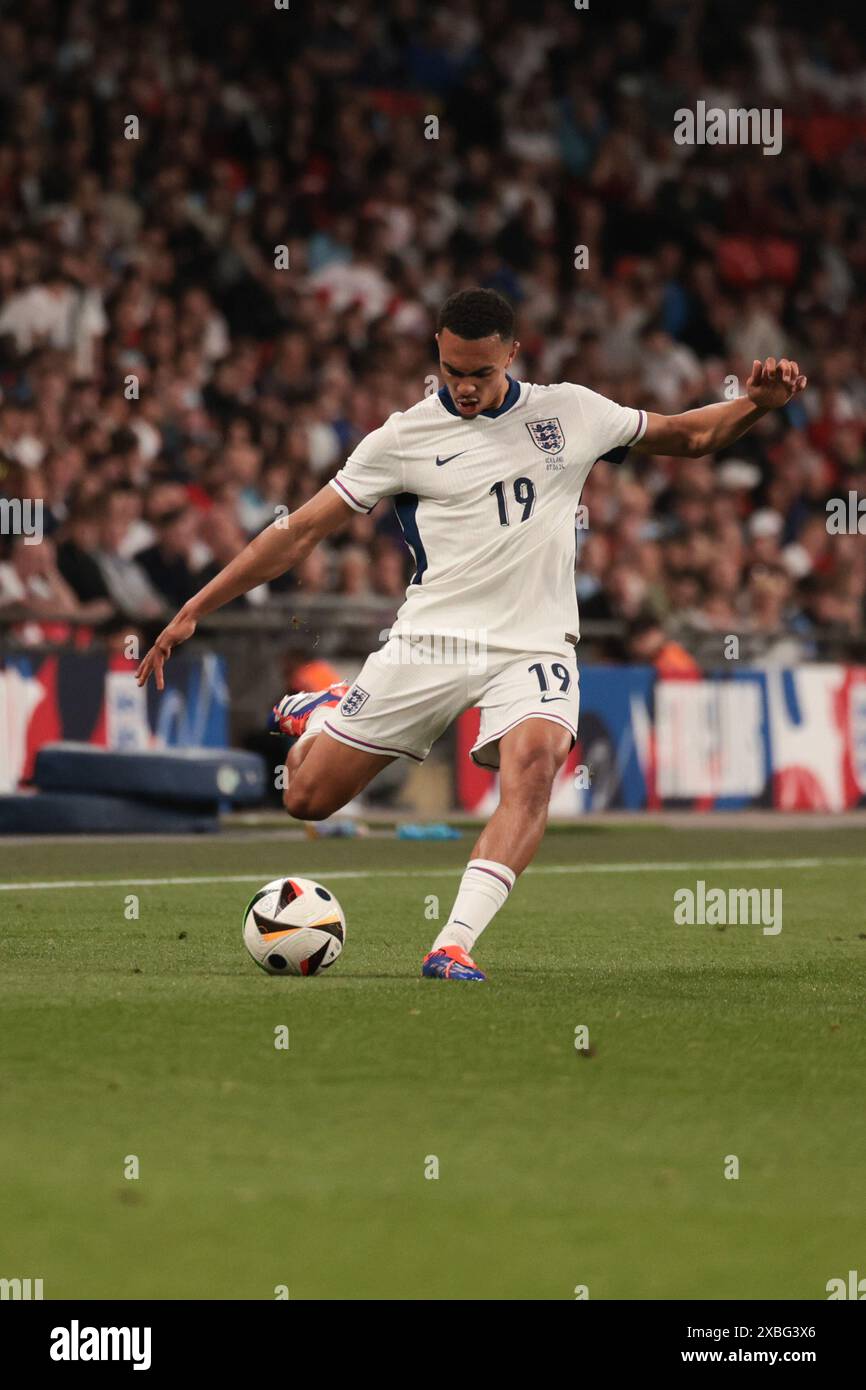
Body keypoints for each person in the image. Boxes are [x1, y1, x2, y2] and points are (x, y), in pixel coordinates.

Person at [136, 288, 807, 982]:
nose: (464, 386)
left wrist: (756, 405)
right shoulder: (403, 438)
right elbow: (299, 531)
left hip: (535, 643)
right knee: (306, 797)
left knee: (537, 768)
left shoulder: (570, 410)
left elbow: (690, 435)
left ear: (512, 355)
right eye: (453, 368)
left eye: (480, 373)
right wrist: (196, 606)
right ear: (438, 351)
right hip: (433, 641)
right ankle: (328, 712)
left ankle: (452, 943)